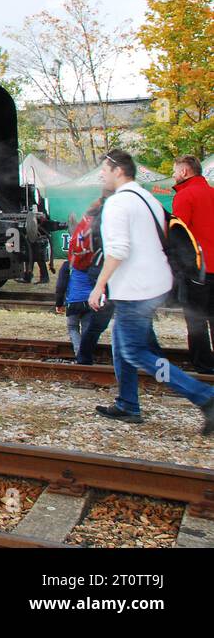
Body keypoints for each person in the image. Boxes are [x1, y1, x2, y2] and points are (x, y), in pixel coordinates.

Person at [90, 149, 214, 433]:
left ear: (118, 171)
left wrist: (98, 286)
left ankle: (205, 397)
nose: (101, 175)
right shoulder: (147, 197)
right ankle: (127, 404)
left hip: (135, 289)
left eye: (105, 170)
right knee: (123, 347)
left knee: (136, 352)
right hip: (152, 284)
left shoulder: (119, 203)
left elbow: (118, 250)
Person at [55, 196, 114, 364]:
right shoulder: (96, 265)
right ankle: (86, 353)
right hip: (90, 301)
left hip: (73, 302)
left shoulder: (69, 265)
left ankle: (79, 352)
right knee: (88, 328)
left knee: (73, 327)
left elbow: (60, 286)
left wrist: (59, 302)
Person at [172, 155, 214, 373]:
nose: (173, 175)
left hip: (198, 269)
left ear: (184, 172)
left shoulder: (184, 196)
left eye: (175, 171)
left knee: (197, 319)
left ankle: (204, 364)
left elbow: (180, 235)